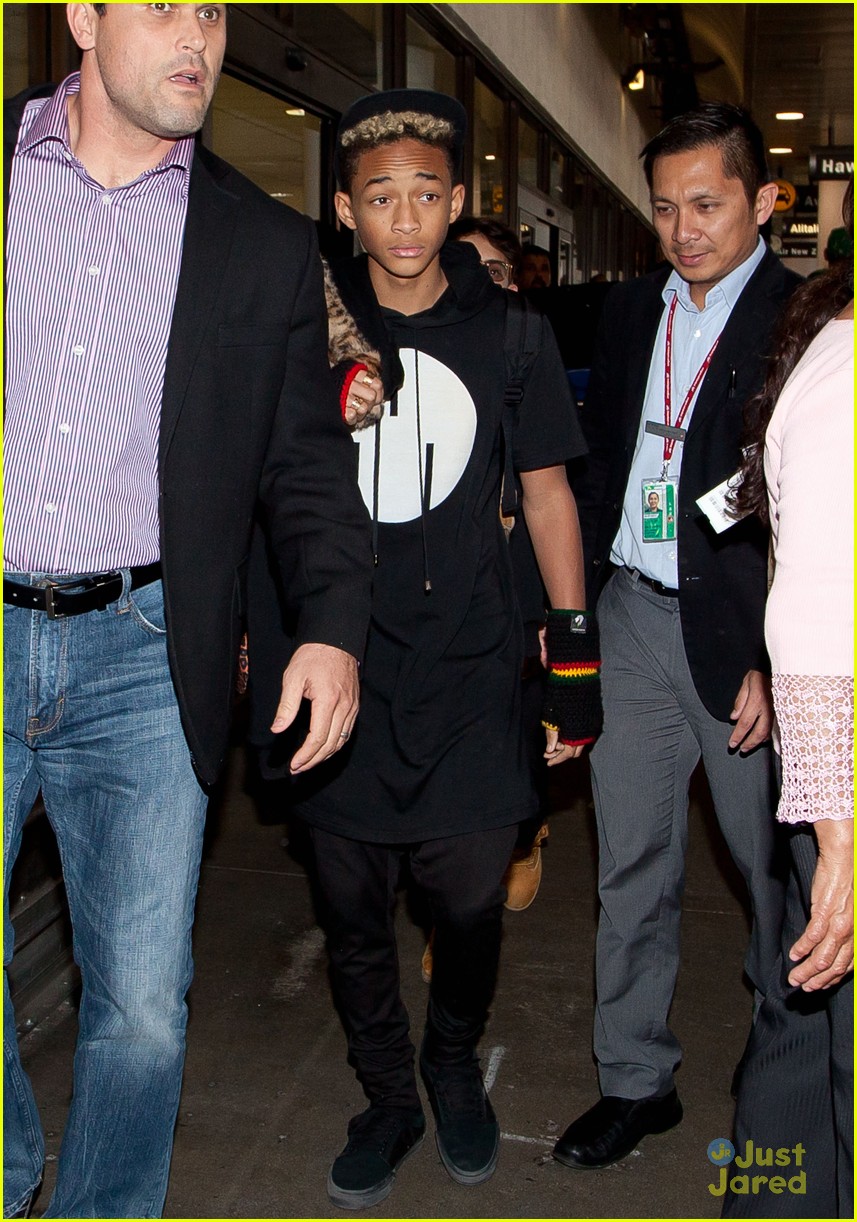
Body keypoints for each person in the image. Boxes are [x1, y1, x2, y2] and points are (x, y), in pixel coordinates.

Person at [3, 5, 371, 1218]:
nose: (198, 36)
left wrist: (329, 626)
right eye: (164, 4)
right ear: (83, 16)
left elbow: (306, 467)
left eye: (212, 9)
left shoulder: (262, 245)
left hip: (146, 659)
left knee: (141, 1009)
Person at [249, 88, 596, 1210]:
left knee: (470, 899)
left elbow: (547, 496)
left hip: (471, 664)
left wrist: (573, 660)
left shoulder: (512, 333)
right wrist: (252, 634)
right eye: (379, 196)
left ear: (455, 205)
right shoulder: (301, 324)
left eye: (426, 194)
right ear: (344, 209)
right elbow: (253, 488)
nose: (404, 218)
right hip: (337, 662)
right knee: (350, 909)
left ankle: (450, 1061)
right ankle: (387, 1093)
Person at [555, 102, 801, 1171]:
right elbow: (594, 464)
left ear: (763, 200)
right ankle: (633, 1079)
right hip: (630, 616)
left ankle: (788, 1066)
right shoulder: (625, 311)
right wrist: (571, 618)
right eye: (663, 208)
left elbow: (818, 513)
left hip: (743, 644)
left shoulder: (806, 323)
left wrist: (780, 659)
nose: (682, 230)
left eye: (706, 204)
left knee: (774, 875)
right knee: (630, 864)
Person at [721, 185, 853, 1220]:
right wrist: (838, 828)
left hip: (825, 764)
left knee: (805, 1029)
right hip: (839, 772)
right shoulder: (842, 367)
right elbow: (810, 605)